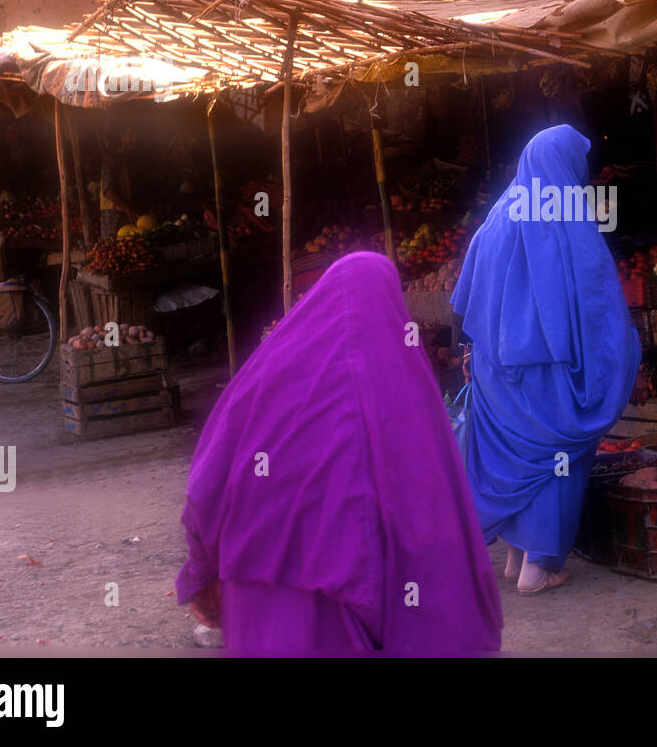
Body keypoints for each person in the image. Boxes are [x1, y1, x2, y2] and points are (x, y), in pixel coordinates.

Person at [175, 252, 503, 655]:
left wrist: (201, 574)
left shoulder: (264, 378)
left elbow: (206, 486)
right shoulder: (409, 394)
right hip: (355, 608)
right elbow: (433, 518)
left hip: (266, 599)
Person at [452, 124, 641, 595]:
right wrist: (621, 347)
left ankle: (516, 558)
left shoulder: (497, 215)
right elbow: (596, 301)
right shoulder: (566, 218)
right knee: (558, 449)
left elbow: (465, 299)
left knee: (519, 453)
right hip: (548, 369)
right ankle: (539, 567)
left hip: (495, 369)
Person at [100, 124, 144, 239]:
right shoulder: (112, 160)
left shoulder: (134, 159)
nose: (135, 139)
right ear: (122, 137)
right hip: (115, 218)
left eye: (137, 136)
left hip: (131, 215)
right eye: (130, 136)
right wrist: (127, 208)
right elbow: (108, 191)